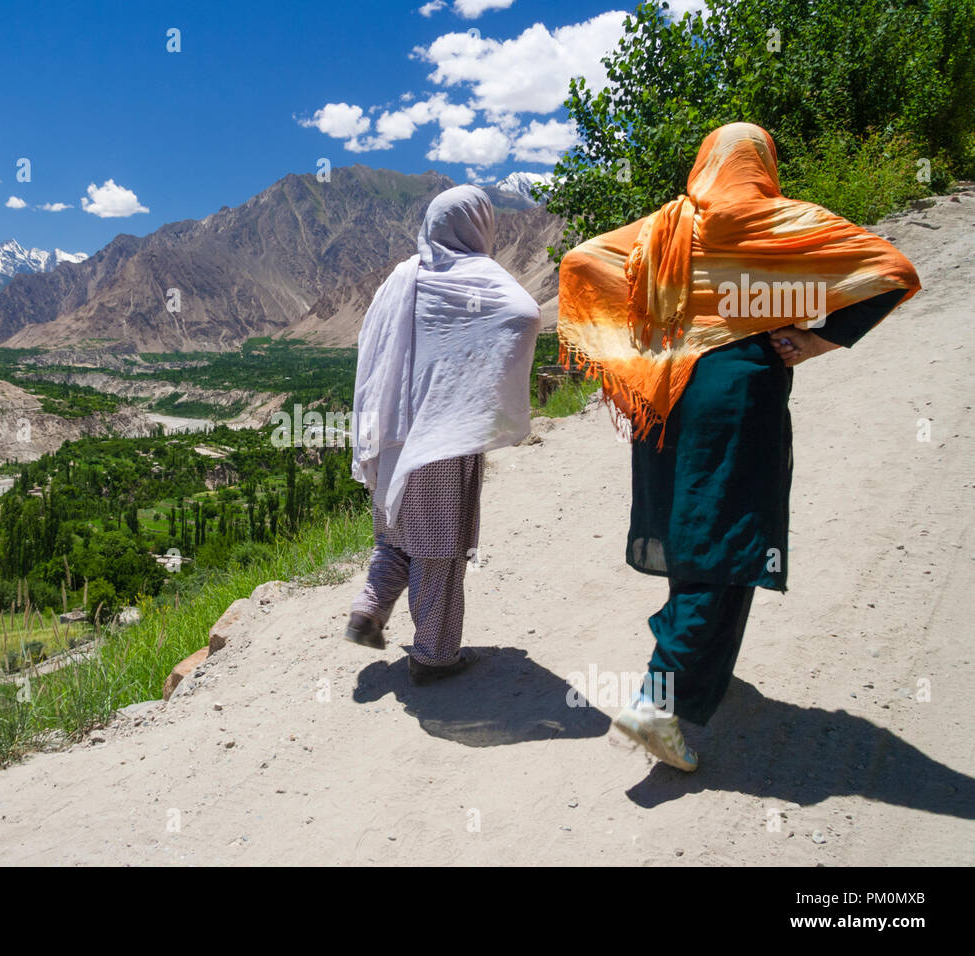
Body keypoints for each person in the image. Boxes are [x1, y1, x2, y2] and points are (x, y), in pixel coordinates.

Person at [557, 123, 921, 769]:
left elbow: (583, 262)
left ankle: (684, 666)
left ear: (705, 164)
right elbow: (890, 271)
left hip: (667, 395)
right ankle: (658, 698)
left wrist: (632, 344)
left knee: (695, 531)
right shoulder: (784, 227)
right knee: (727, 541)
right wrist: (817, 338)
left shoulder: (668, 228)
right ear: (762, 167)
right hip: (736, 401)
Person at [346, 184, 542, 685]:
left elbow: (369, 342)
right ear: (476, 224)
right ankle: (433, 657)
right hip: (437, 440)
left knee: (396, 535)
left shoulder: (401, 276)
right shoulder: (474, 274)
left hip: (389, 432)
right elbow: (524, 315)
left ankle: (368, 612)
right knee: (439, 547)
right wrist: (471, 383)